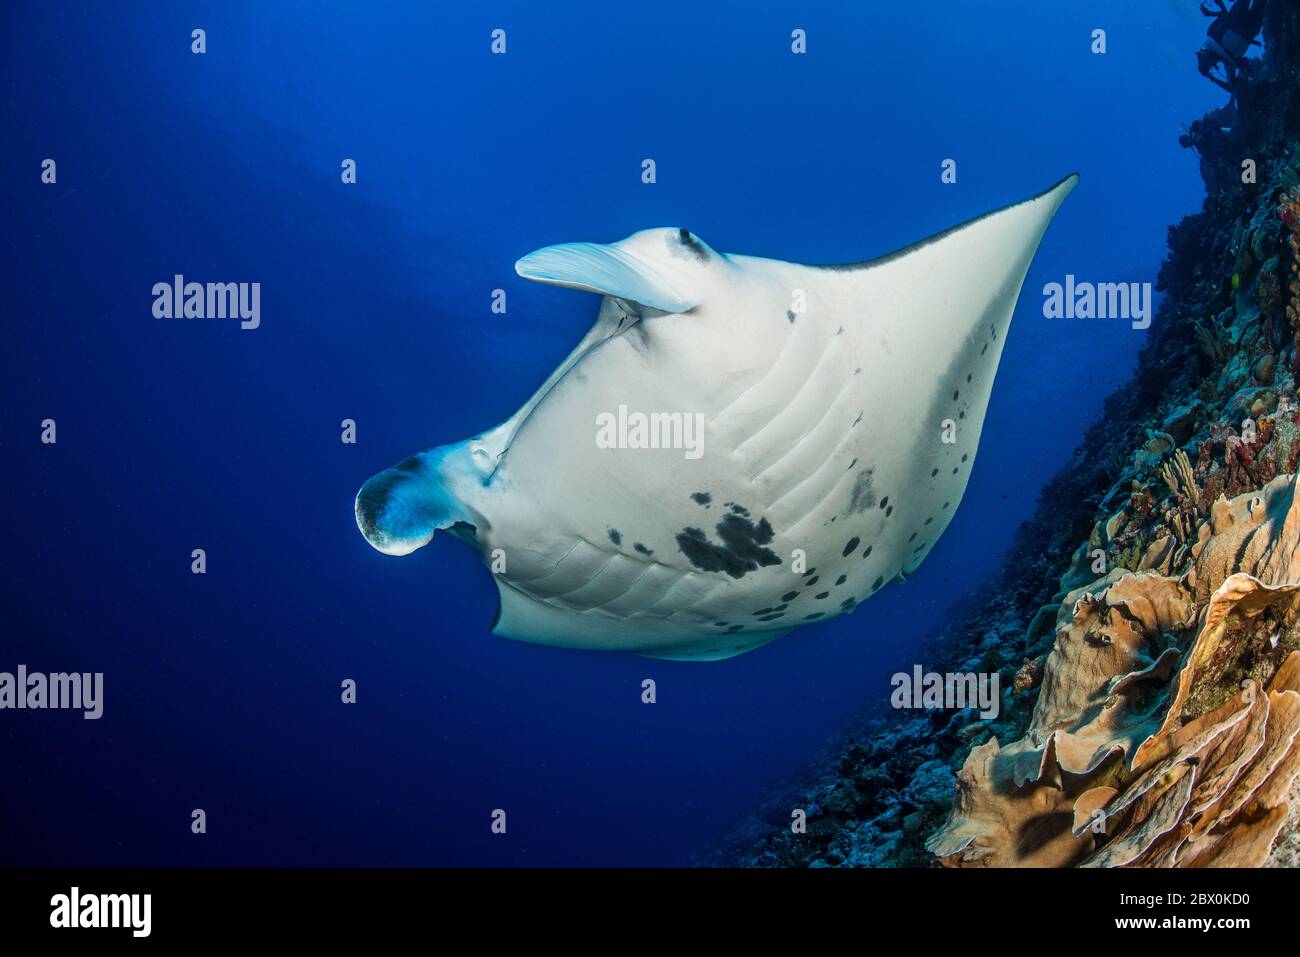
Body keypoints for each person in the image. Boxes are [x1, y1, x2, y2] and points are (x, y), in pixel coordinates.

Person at [1197, 0, 1268, 95]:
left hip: (1242, 20)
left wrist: (1211, 13)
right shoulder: (1229, 65)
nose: (1210, 59)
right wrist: (1211, 78)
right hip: (1250, 27)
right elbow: (1231, 88)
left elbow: (1224, 15)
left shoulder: (1212, 37)